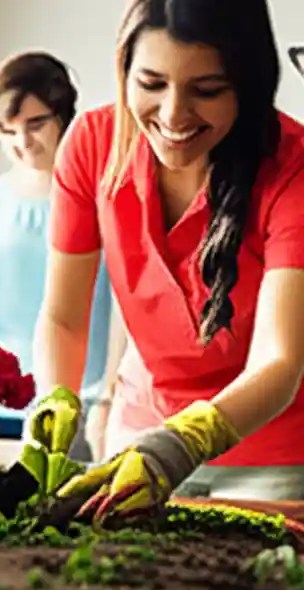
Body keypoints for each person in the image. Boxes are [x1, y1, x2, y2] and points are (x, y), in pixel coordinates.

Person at [36, 0, 304, 517]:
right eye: (152, 84)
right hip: (141, 429)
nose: (174, 114)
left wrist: (183, 442)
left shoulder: (293, 165)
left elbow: (281, 359)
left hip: (273, 451)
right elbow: (64, 318)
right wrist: (55, 406)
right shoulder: (92, 144)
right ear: (123, 72)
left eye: (207, 90)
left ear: (247, 86)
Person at [0, 51, 121, 455]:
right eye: (8, 131)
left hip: (84, 402)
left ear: (63, 116)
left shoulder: (101, 197)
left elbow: (122, 309)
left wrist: (110, 391)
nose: (23, 142)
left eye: (36, 124)